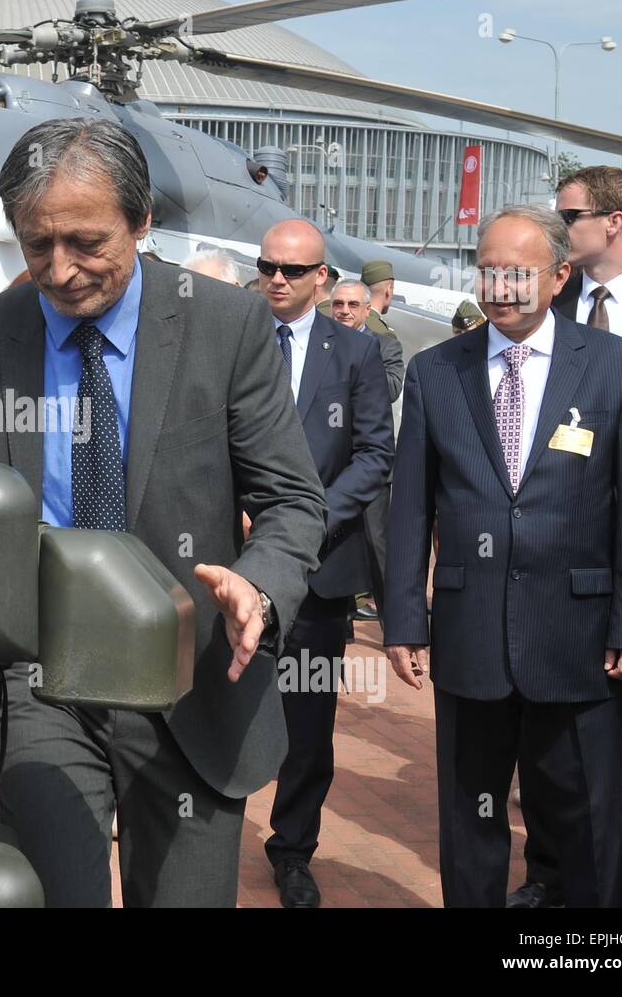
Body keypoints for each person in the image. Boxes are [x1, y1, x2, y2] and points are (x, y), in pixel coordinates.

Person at [0, 118, 327, 908]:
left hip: (193, 682)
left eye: (87, 241)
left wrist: (260, 587)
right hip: (42, 686)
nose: (62, 270)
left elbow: (291, 500)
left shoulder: (228, 325)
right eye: (38, 245)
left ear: (143, 223)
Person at [386, 204, 622, 908]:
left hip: (580, 637)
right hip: (470, 633)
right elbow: (411, 506)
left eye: (518, 273)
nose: (501, 289)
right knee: (469, 818)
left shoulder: (615, 366)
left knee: (589, 820)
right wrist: (402, 622)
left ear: (559, 274)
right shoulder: (434, 372)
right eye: (488, 273)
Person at [517, 165, 622, 909]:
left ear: (615, 221)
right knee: (554, 729)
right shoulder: (550, 314)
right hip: (558, 556)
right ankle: (552, 873)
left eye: (571, 216)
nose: (562, 229)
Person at [256, 222, 394, 907]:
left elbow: (374, 455)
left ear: (321, 279)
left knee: (306, 725)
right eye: (267, 266)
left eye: (292, 269)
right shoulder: (235, 337)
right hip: (228, 559)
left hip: (318, 569)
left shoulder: (358, 355)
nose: (277, 279)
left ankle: (292, 850)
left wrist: (311, 520)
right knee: (203, 707)